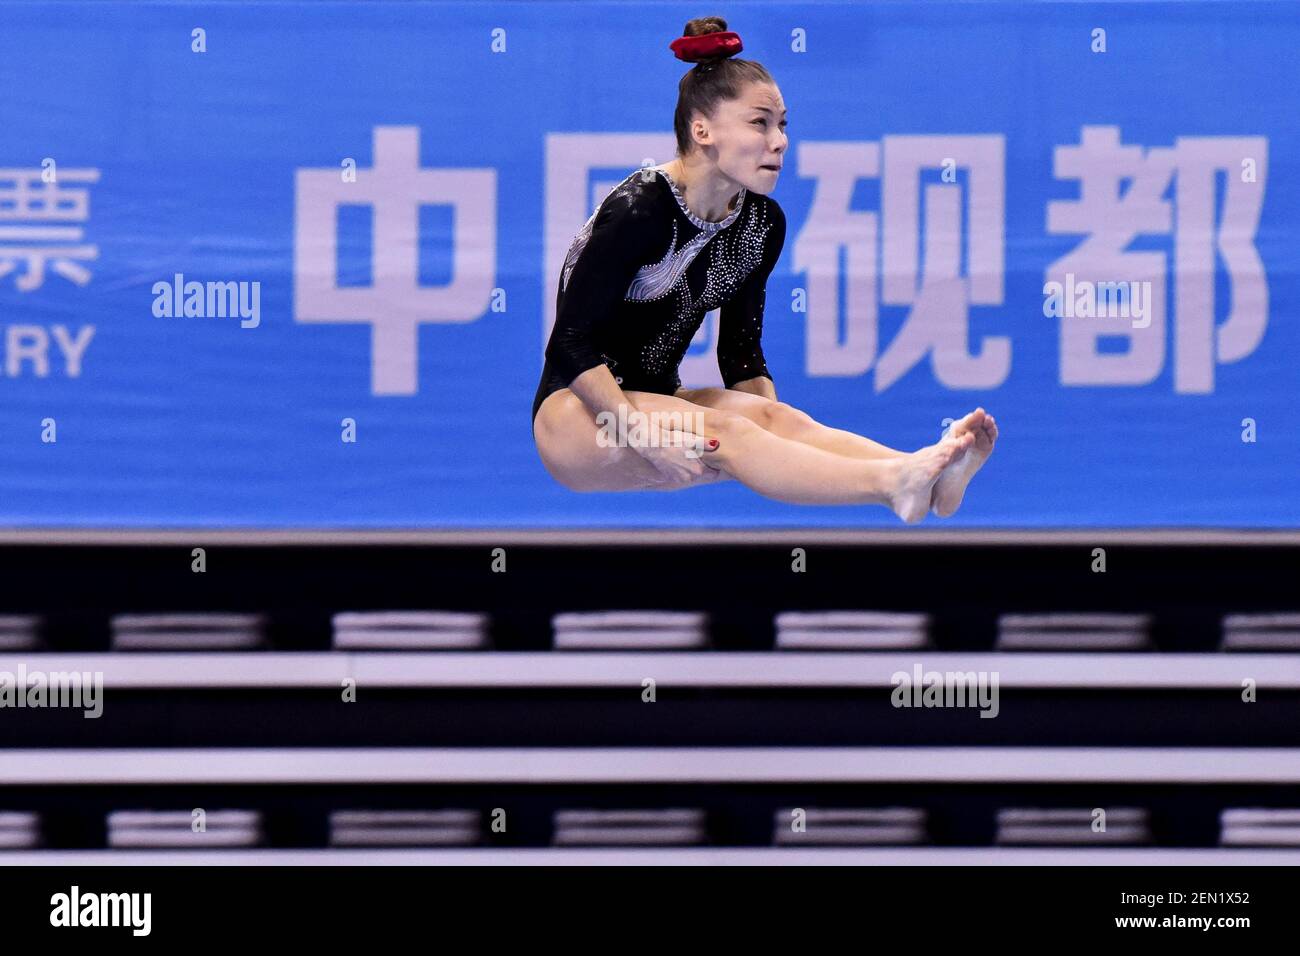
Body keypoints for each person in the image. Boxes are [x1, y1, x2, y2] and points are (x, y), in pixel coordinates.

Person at [532, 15, 997, 522]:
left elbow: (740, 355)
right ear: (702, 129)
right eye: (760, 123)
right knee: (733, 433)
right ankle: (894, 484)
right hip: (576, 414)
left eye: (783, 125)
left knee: (771, 417)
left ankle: (925, 477)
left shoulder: (758, 222)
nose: (780, 141)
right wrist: (637, 433)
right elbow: (569, 343)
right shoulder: (640, 210)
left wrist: (773, 429)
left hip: (658, 397)